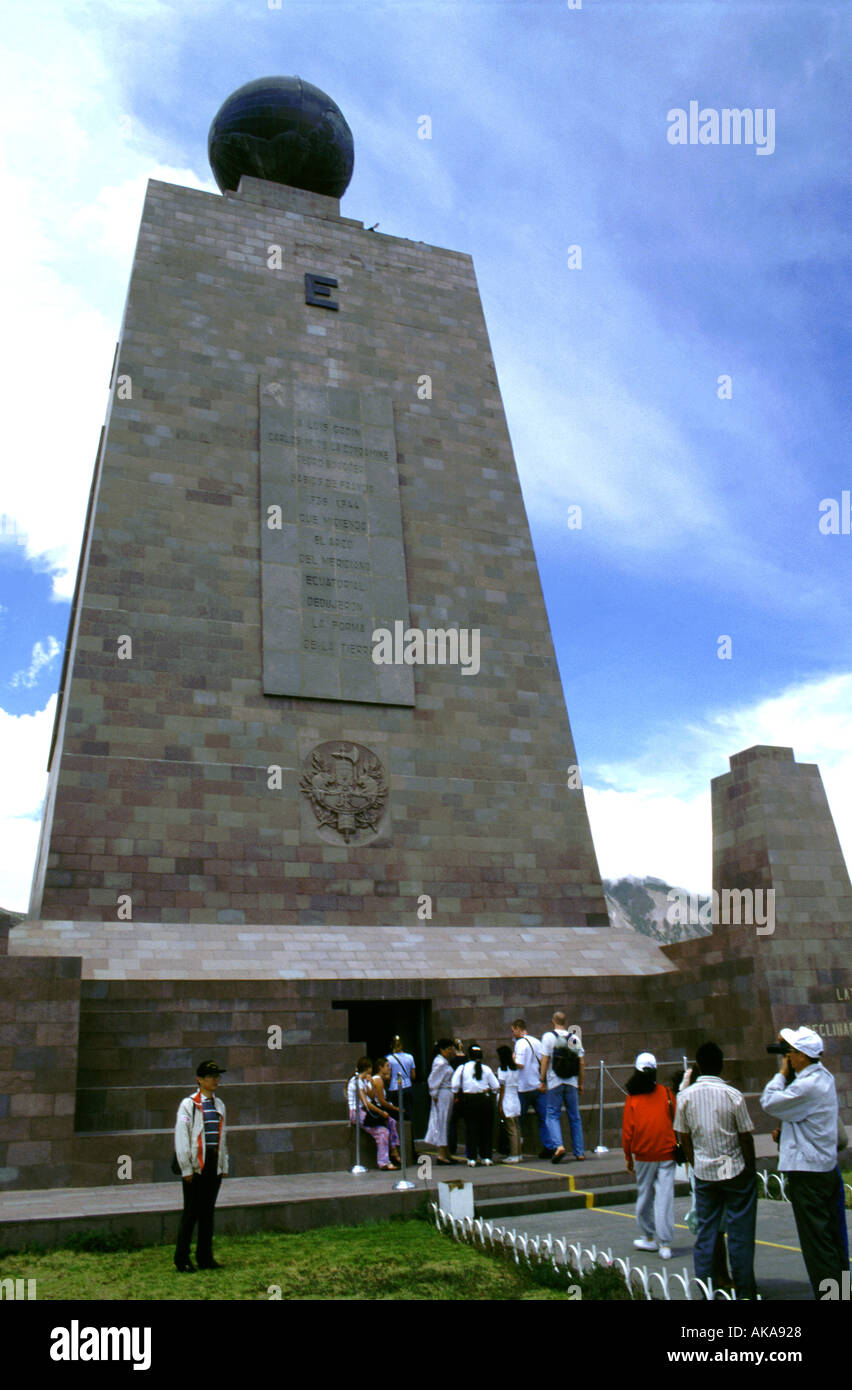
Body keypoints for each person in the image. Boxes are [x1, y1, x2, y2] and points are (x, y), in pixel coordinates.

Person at [760, 1026, 847, 1298]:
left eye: (792, 1052)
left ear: (803, 1056)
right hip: (823, 1170)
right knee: (831, 1241)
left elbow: (769, 1102)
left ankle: (832, 1298)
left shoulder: (807, 1085)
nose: (788, 1056)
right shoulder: (824, 1077)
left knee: (818, 1246)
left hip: (808, 1175)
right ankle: (840, 1295)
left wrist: (781, 1074)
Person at [674, 1040, 757, 1300]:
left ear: (698, 1066)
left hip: (705, 1170)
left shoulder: (685, 1097)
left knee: (706, 1232)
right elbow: (745, 1136)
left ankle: (706, 1289)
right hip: (733, 1168)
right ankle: (745, 1290)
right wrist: (750, 1169)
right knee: (740, 1233)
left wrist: (694, 1162)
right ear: (721, 1067)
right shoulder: (732, 1095)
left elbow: (683, 1136)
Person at [174, 1059, 229, 1273]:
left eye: (217, 1076)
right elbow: (182, 1136)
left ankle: (205, 1256)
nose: (215, 1080)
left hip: (213, 1165)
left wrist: (223, 1164)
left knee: (208, 1213)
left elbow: (222, 1136)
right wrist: (186, 1167)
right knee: (191, 1213)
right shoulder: (189, 1104)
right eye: (211, 1076)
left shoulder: (219, 1105)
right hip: (196, 1165)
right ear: (200, 1080)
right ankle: (182, 1258)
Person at [622, 1051, 676, 1259]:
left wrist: (628, 1156)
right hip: (666, 1152)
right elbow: (676, 1120)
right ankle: (665, 1244)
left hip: (644, 1154)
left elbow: (628, 1131)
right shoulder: (667, 1093)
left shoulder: (632, 1098)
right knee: (665, 1198)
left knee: (645, 1196)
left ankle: (649, 1238)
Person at [539, 1012, 585, 1163]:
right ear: (565, 1022)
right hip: (571, 1082)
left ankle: (559, 1146)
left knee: (552, 1114)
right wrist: (580, 1083)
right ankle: (579, 1152)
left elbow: (545, 1060)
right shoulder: (574, 1037)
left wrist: (542, 1080)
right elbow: (581, 1063)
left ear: (553, 1021)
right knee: (575, 1117)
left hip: (555, 1081)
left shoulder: (548, 1037)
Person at [452, 1044, 500, 1166]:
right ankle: (486, 1157)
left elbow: (454, 1086)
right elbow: (496, 1086)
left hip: (469, 1100)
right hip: (484, 1100)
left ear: (468, 1055)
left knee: (471, 1129)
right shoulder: (487, 1069)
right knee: (486, 1129)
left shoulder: (462, 1068)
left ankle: (472, 1158)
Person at [511, 1019, 547, 1157]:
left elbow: (520, 1064)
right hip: (537, 1085)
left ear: (518, 1029)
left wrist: (512, 1058)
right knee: (544, 1118)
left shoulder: (520, 1044)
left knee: (519, 1119)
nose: (512, 1033)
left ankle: (517, 1147)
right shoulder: (536, 1041)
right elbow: (543, 1061)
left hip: (523, 1087)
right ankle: (549, 1146)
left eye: (513, 1030)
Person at [357, 1058, 400, 1171]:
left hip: (368, 1110)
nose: (389, 1068)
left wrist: (371, 1084)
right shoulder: (357, 1081)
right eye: (387, 1065)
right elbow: (367, 1103)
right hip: (360, 1112)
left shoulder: (364, 1081)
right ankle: (384, 1161)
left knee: (390, 1123)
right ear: (369, 1069)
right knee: (383, 1131)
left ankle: (392, 1151)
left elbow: (370, 1097)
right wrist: (382, 1112)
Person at [424, 1038, 456, 1164]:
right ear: (442, 1050)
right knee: (441, 1122)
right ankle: (441, 1154)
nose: (451, 1051)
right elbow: (433, 1080)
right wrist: (434, 1095)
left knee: (445, 1122)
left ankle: (445, 1151)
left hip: (446, 1094)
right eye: (448, 1049)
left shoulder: (444, 1062)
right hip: (442, 1094)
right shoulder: (440, 1063)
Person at [496, 1044, 522, 1163]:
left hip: (507, 1100)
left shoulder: (502, 1070)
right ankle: (519, 1153)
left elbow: (502, 1088)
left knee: (511, 1130)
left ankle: (514, 1154)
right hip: (516, 1098)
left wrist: (500, 1104)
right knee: (516, 1128)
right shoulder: (516, 1069)